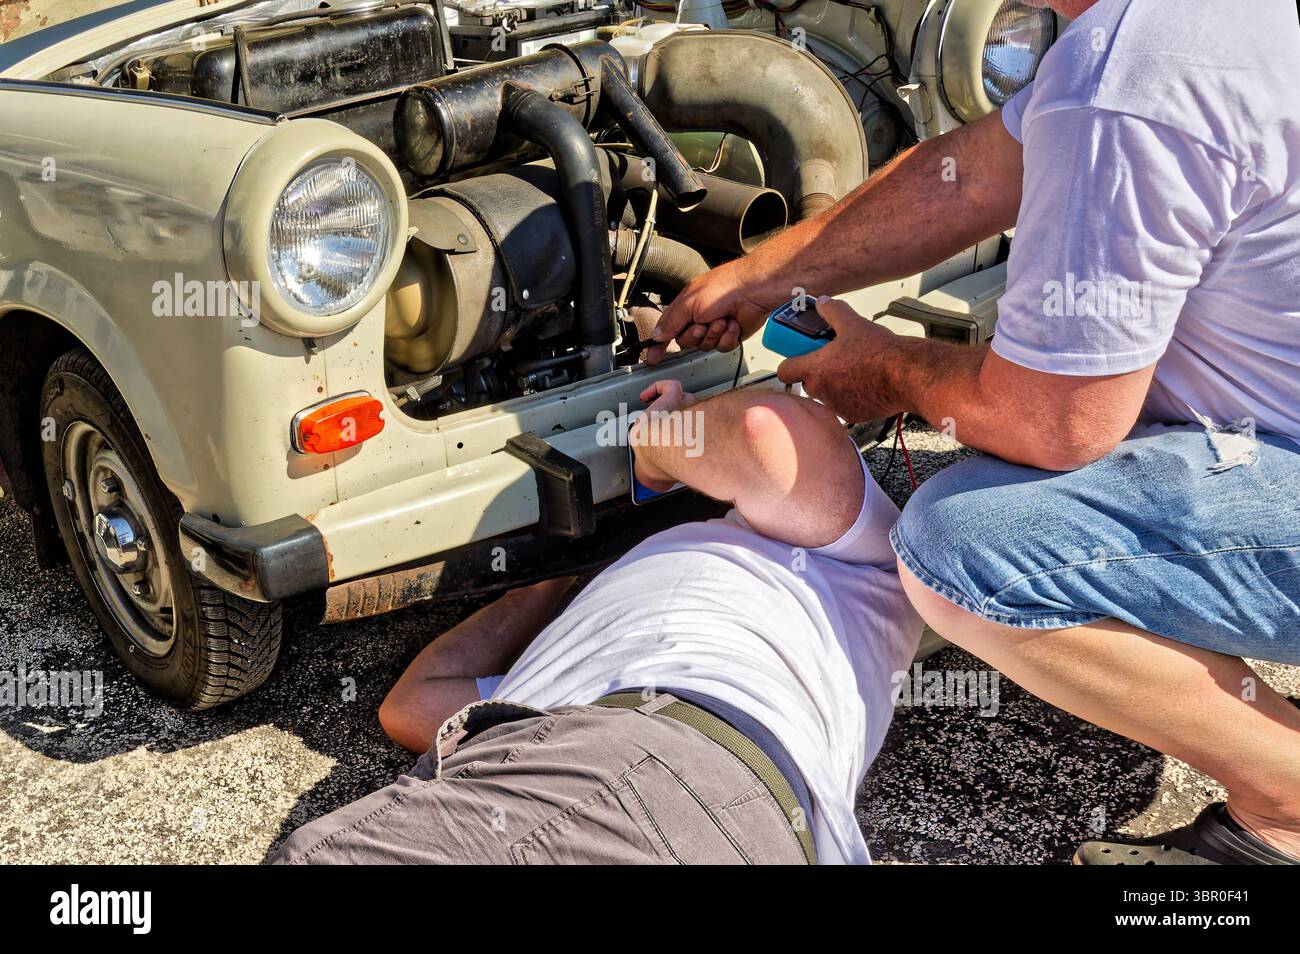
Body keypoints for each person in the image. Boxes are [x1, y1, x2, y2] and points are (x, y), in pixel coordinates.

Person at [650, 0, 1300, 864]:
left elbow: (1057, 422)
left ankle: (1285, 804)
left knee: (961, 550)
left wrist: (887, 368)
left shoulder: (1131, 75)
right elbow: (976, 170)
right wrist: (768, 271)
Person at [272, 381, 922, 864]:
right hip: (697, 799)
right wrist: (550, 579)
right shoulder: (804, 582)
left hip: (648, 774)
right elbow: (409, 707)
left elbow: (766, 431)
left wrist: (655, 440)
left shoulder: (863, 559)